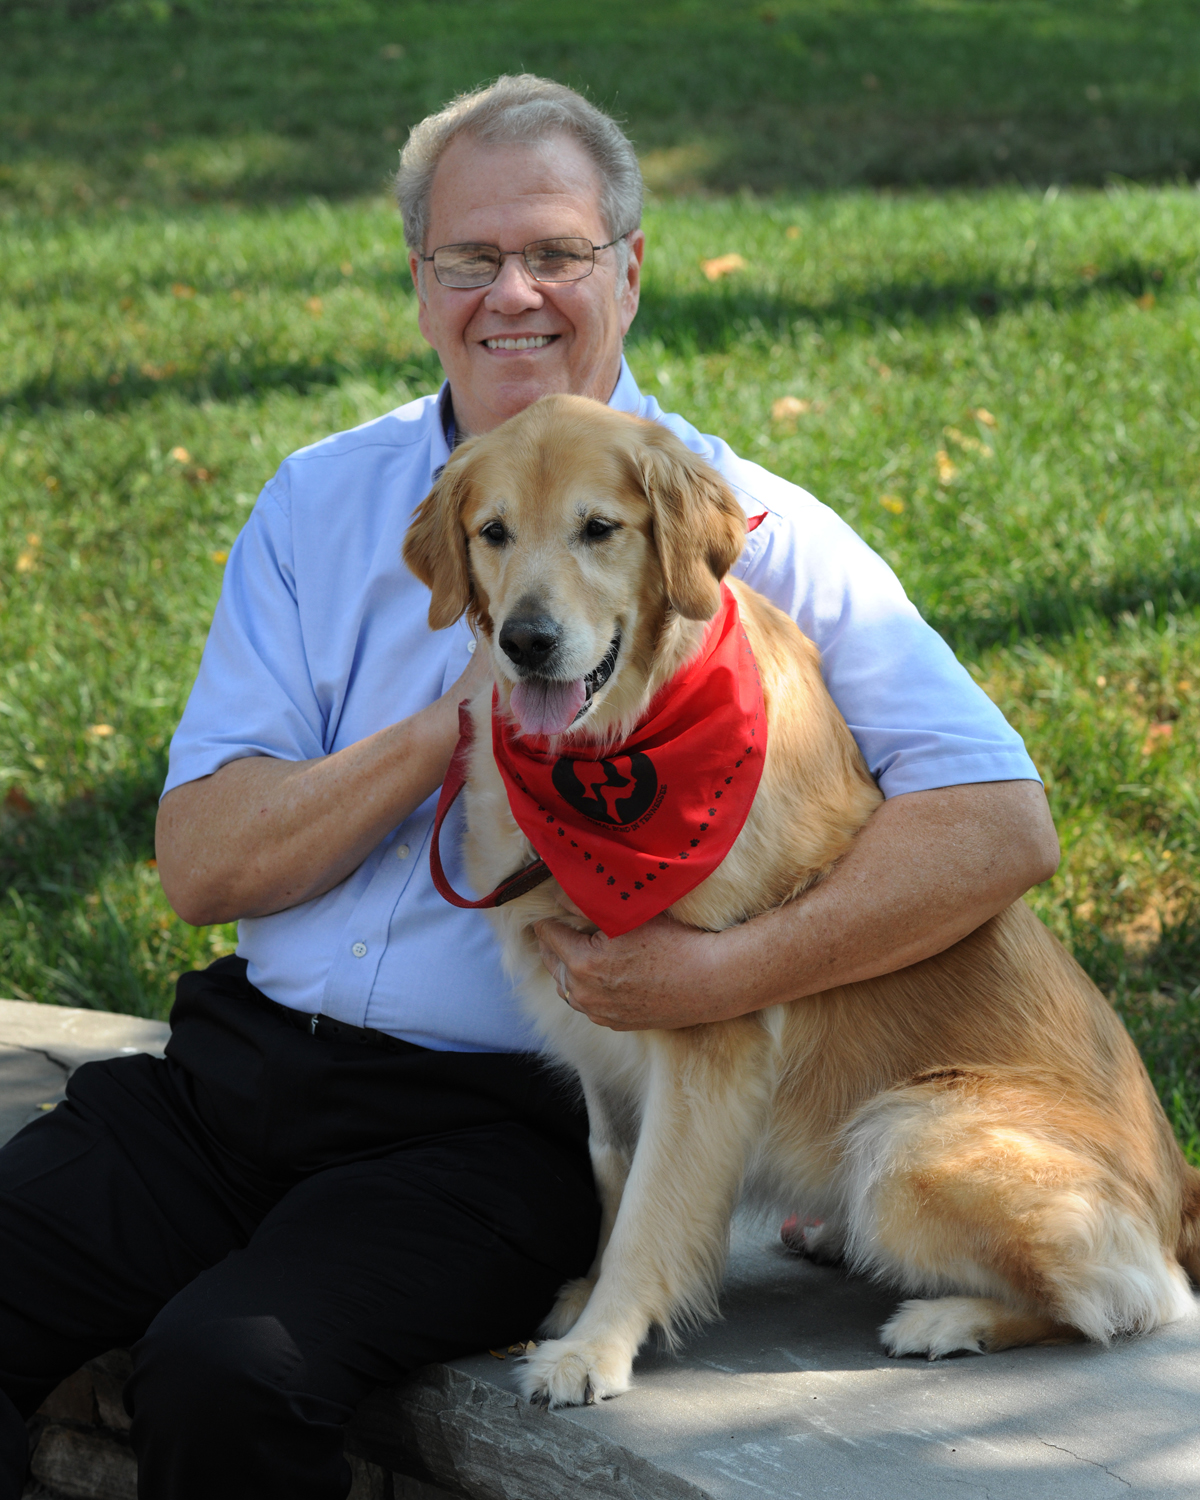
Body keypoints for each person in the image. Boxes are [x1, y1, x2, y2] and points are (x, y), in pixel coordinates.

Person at [0, 76, 1058, 1500]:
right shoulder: (321, 502)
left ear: (629, 267)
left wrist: (728, 972)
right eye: (470, 259)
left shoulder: (746, 527)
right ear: (421, 282)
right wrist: (457, 730)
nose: (516, 294)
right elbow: (202, 866)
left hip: (493, 1130)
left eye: (558, 252)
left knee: (227, 1374)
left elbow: (1001, 825)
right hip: (235, 1073)